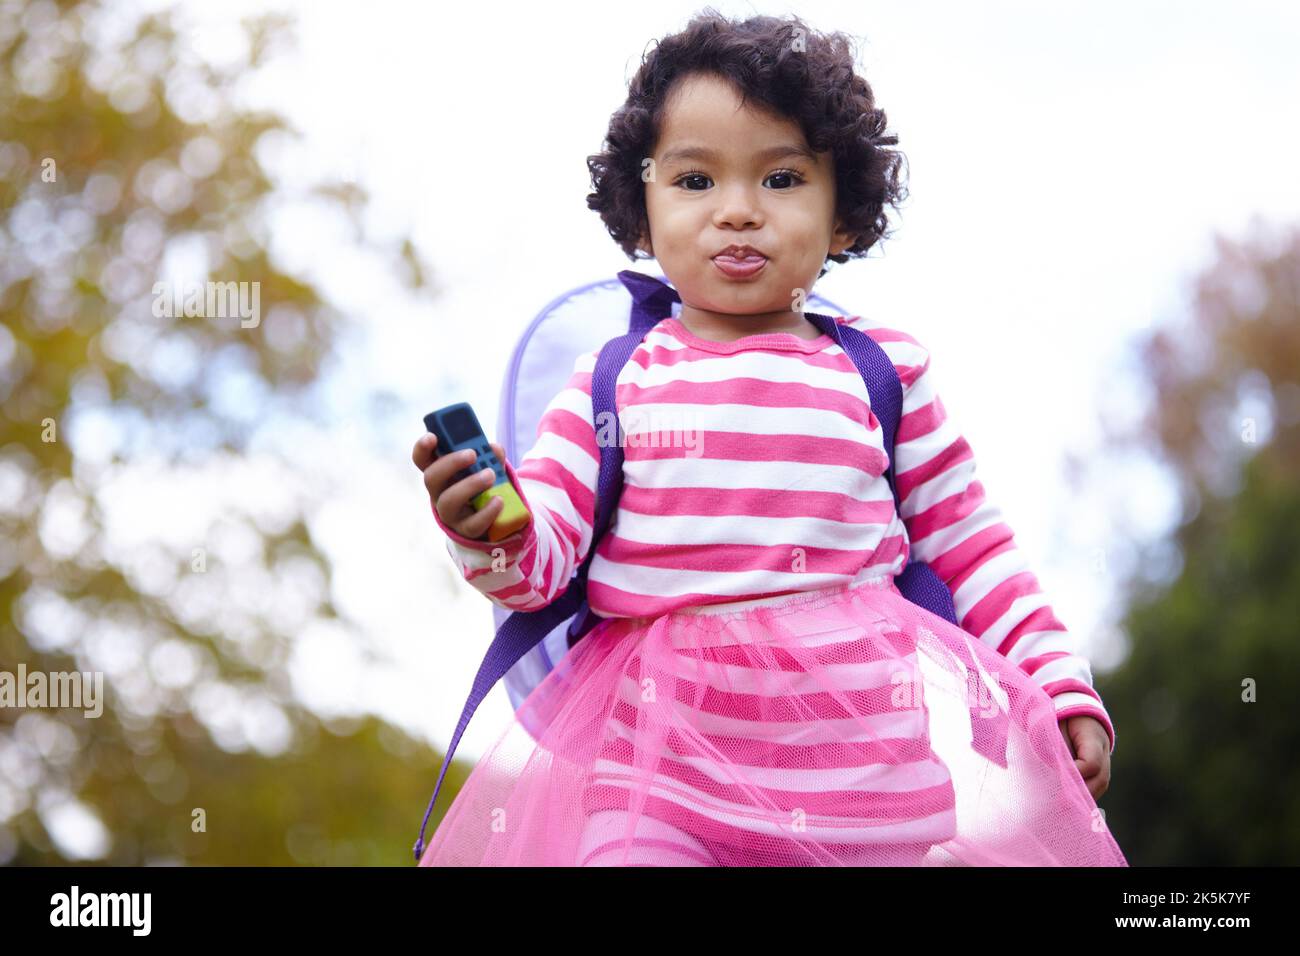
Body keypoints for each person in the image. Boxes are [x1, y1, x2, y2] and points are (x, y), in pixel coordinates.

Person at [411, 10, 1124, 866]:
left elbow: (974, 551)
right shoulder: (613, 381)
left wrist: (1057, 688)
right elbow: (542, 565)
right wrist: (492, 527)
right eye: (695, 181)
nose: (739, 212)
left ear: (845, 217)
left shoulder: (880, 374)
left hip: (866, 797)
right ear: (641, 213)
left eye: (782, 179)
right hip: (659, 789)